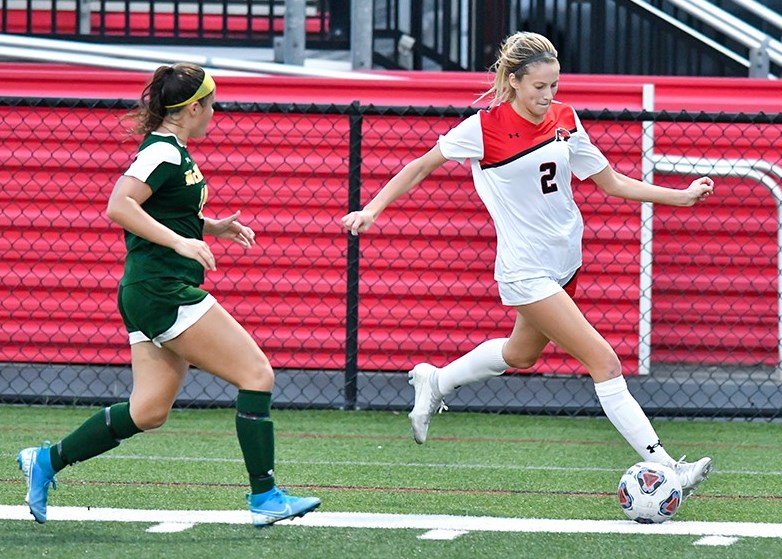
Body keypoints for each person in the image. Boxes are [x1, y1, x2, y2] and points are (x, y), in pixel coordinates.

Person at [341, 32, 716, 498]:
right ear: (514, 81)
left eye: (553, 86)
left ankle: (436, 379)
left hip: (565, 262)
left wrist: (679, 197)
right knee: (604, 361)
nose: (547, 96)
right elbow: (420, 166)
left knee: (520, 356)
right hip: (524, 270)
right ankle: (665, 465)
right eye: (538, 87)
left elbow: (612, 182)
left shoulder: (564, 119)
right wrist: (372, 209)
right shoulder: (484, 127)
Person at [15, 63, 320, 527]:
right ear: (192, 107)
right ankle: (265, 497)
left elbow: (167, 210)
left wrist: (208, 227)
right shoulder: (162, 152)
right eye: (211, 105)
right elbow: (120, 205)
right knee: (257, 374)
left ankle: (47, 460)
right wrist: (180, 242)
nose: (214, 113)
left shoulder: (174, 151)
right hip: (162, 290)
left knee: (148, 411)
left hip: (148, 290)